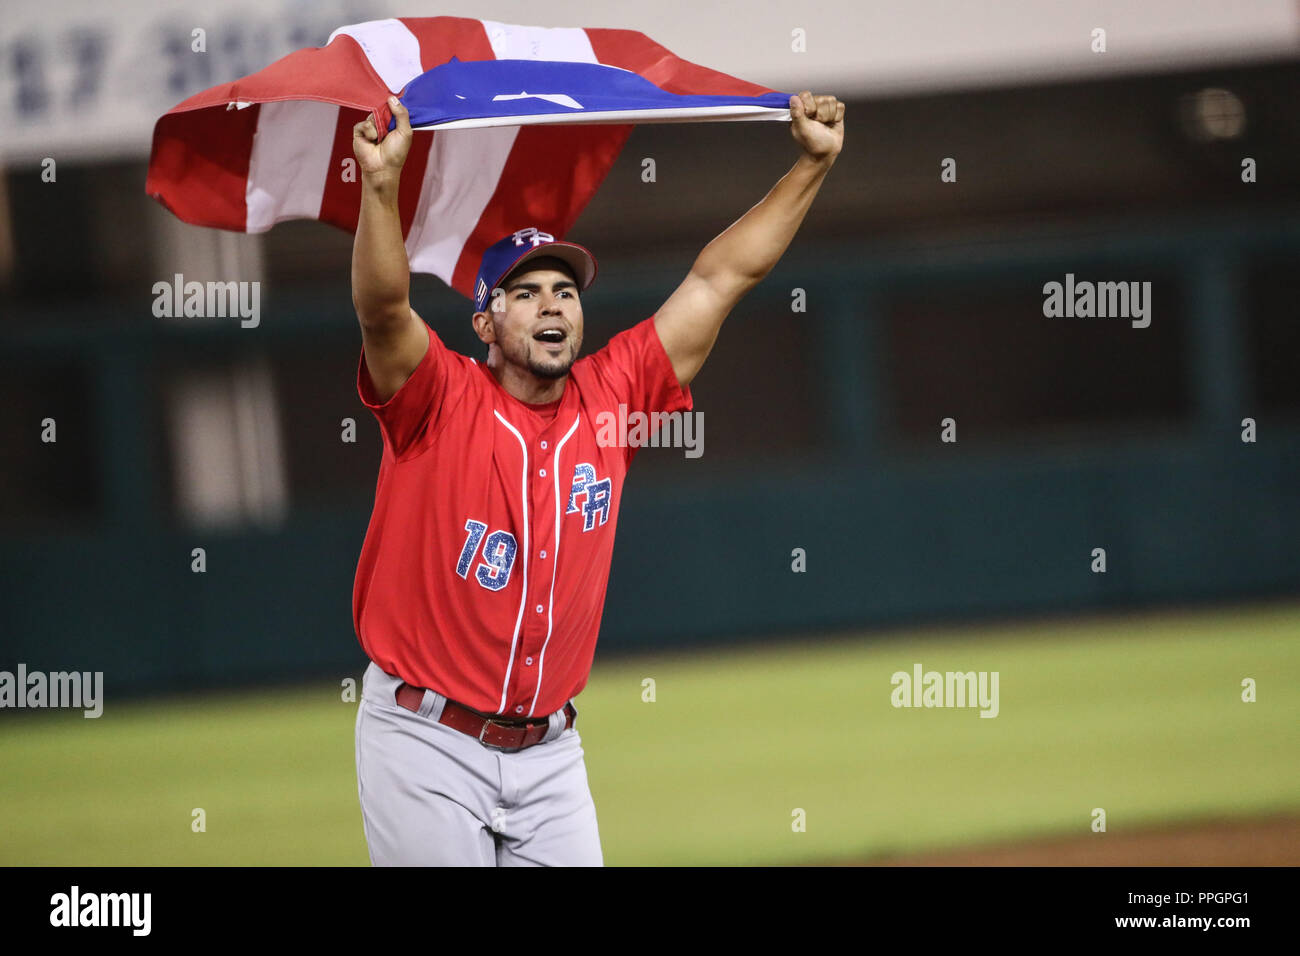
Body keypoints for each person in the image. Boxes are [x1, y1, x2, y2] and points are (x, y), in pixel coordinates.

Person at [348, 90, 844, 866]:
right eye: (527, 292)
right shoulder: (438, 398)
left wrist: (811, 164)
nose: (553, 305)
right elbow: (383, 311)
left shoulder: (612, 398)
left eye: (566, 291)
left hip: (550, 755)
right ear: (485, 324)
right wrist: (381, 189)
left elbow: (720, 279)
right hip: (425, 742)